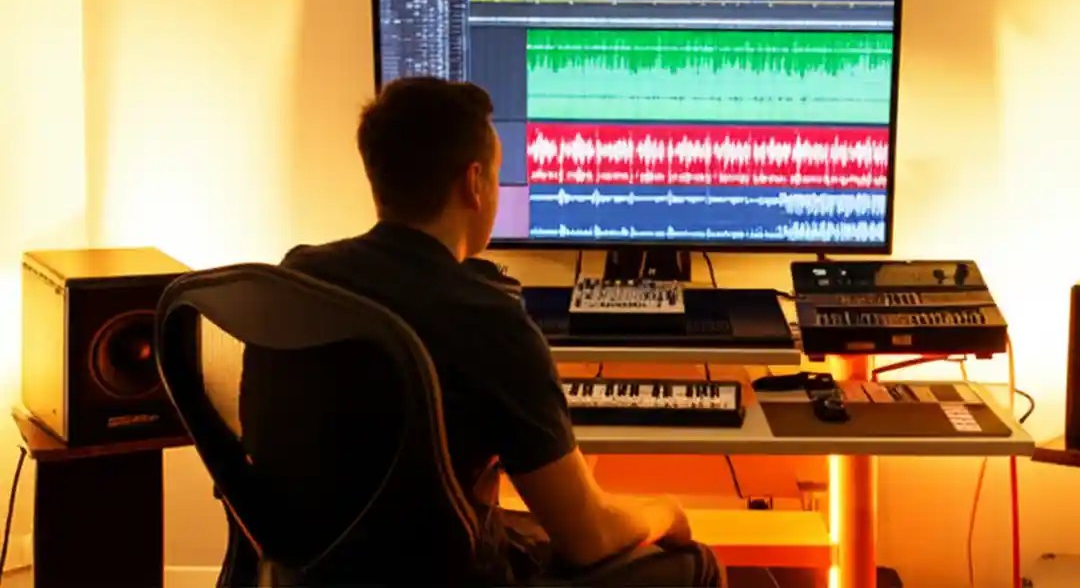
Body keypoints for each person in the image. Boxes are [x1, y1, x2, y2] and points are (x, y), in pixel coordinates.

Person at [228, 77, 724, 587]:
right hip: (450, 576)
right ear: (474, 182)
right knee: (695, 563)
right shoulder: (489, 320)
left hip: (310, 573)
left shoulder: (297, 275)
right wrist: (664, 511)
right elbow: (587, 538)